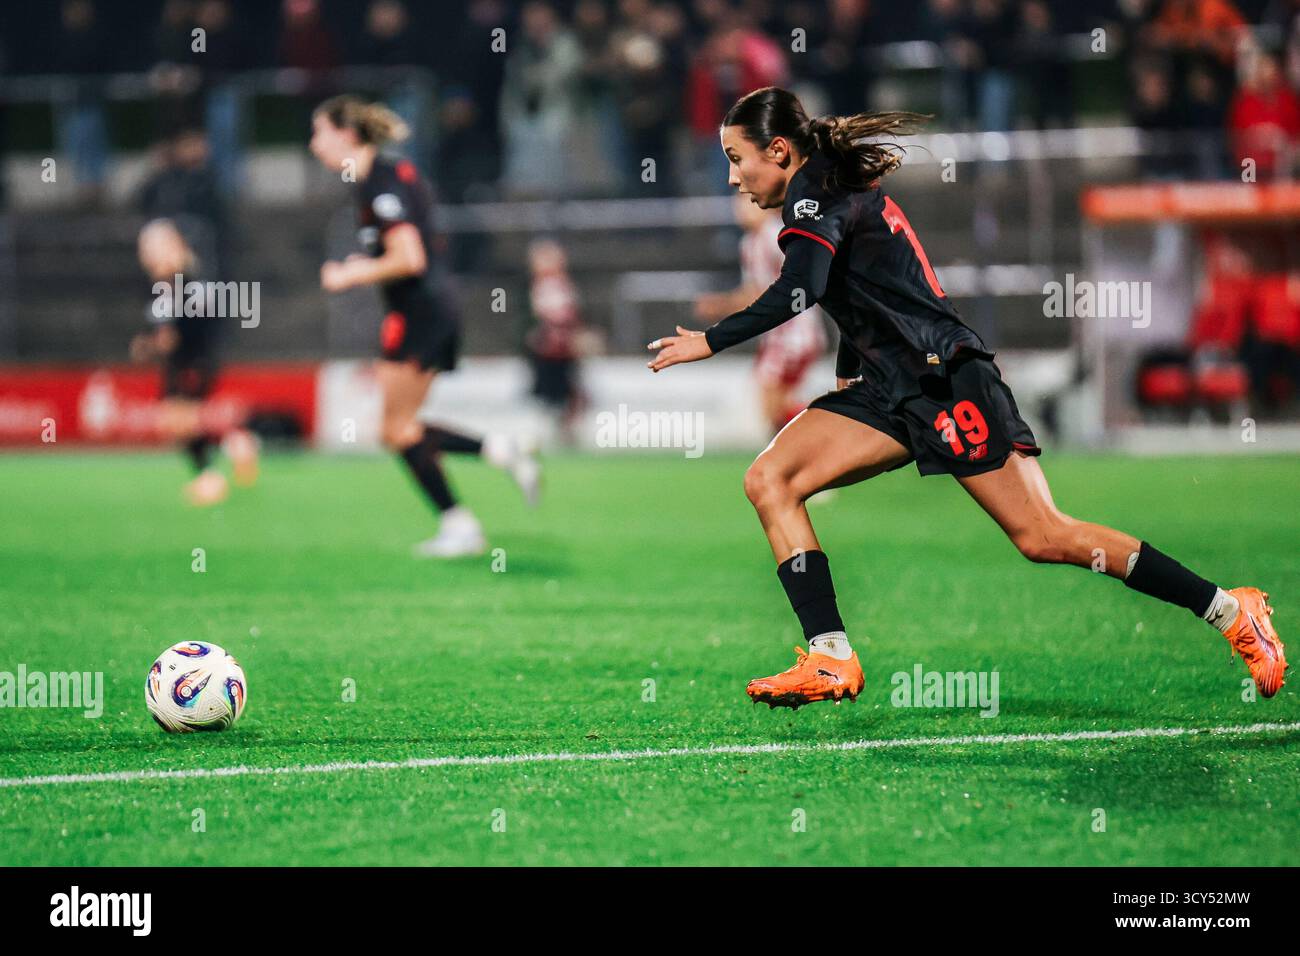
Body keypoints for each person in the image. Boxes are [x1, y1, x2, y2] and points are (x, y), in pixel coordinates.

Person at [648, 86, 1286, 708]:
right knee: (770, 480)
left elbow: (802, 289)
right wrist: (851, 366)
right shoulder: (831, 188)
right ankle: (830, 653)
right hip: (890, 384)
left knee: (1044, 536)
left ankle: (1231, 610)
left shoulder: (815, 196)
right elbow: (866, 289)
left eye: (737, 159)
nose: (733, 177)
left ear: (780, 151)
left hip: (943, 378)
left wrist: (712, 340)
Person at [310, 95, 539, 558]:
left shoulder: (379, 181)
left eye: (319, 132)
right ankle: (494, 457)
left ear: (347, 135)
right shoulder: (387, 175)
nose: (314, 145)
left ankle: (464, 519)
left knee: (395, 430)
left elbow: (409, 257)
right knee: (399, 428)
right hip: (427, 309)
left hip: (420, 313)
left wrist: (351, 273)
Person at [131, 218, 259, 506]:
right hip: (179, 362)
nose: (148, 254)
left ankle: (212, 474)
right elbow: (160, 328)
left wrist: (156, 344)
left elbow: (182, 330)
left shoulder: (185, 282)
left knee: (179, 420)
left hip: (192, 360)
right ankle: (234, 447)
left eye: (153, 247)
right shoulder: (161, 285)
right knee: (179, 422)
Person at [694, 194, 827, 434]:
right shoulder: (751, 242)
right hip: (783, 335)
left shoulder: (773, 235)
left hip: (793, 335)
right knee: (775, 407)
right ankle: (807, 443)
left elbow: (761, 293)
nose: (739, 210)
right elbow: (755, 292)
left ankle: (832, 425)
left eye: (746, 202)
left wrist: (720, 306)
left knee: (770, 402)